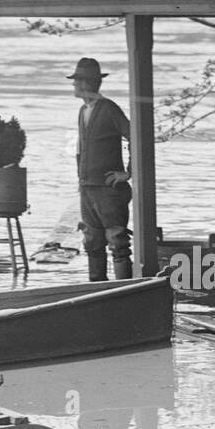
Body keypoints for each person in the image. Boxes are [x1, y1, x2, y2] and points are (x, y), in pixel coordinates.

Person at [69, 57, 133, 281]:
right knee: (92, 242)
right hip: (88, 188)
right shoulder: (83, 110)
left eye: (76, 81)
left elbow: (134, 135)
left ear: (86, 83)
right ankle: (96, 290)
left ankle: (125, 291)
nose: (74, 85)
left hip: (108, 190)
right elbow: (81, 149)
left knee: (117, 241)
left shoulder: (108, 108)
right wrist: (81, 180)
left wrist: (128, 172)